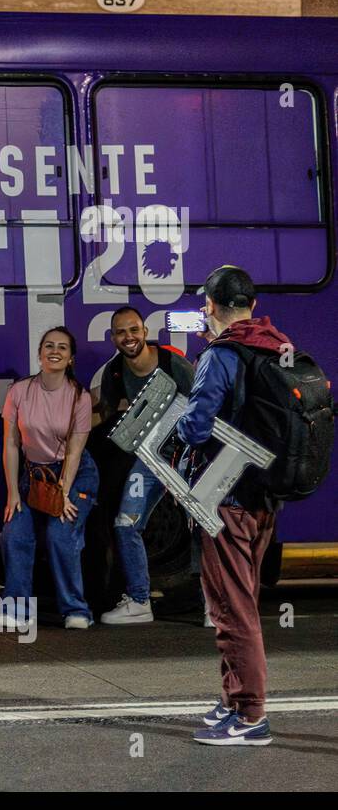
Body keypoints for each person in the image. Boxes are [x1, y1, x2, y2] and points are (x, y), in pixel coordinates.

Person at [179, 266, 289, 746]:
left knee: (231, 607)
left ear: (211, 305)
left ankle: (250, 716)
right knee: (238, 600)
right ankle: (232, 700)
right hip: (265, 495)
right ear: (252, 306)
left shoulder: (222, 355)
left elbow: (197, 426)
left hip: (227, 496)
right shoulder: (276, 345)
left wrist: (184, 423)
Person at [93, 306, 196, 625]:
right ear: (113, 338)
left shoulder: (173, 364)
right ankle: (139, 600)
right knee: (126, 524)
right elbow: (105, 418)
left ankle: (215, 604)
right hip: (149, 461)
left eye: (134, 330)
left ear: (145, 332)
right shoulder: (113, 373)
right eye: (121, 332)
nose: (129, 337)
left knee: (208, 526)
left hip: (189, 458)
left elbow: (202, 409)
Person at [0, 326, 98, 629]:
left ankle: (76, 610)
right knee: (14, 534)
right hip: (33, 474)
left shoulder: (79, 397)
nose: (55, 351)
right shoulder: (19, 392)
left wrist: (64, 493)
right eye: (49, 346)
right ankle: (17, 610)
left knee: (60, 534)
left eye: (63, 348)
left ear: (70, 358)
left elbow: (74, 452)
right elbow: (11, 445)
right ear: (40, 353)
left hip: (73, 475)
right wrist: (13, 493)